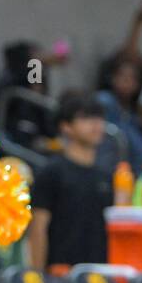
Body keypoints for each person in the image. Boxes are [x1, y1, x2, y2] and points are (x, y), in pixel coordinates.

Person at [28, 92, 117, 273]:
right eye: (85, 117)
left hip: (99, 275)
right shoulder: (51, 172)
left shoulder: (106, 177)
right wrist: (38, 276)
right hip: (60, 274)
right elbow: (38, 228)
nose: (96, 124)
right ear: (66, 126)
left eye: (99, 117)